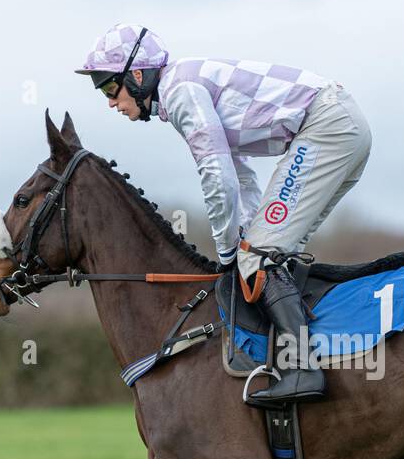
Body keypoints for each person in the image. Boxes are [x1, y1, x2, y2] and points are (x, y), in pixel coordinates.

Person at [76, 23, 371, 405]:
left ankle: (301, 369)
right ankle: (299, 355)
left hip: (327, 127)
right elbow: (240, 174)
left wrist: (229, 250)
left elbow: (217, 177)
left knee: (257, 254)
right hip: (338, 125)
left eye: (109, 88)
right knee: (267, 251)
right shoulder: (181, 88)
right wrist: (241, 239)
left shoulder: (180, 91)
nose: (110, 102)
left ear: (137, 75)